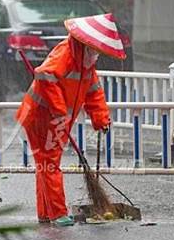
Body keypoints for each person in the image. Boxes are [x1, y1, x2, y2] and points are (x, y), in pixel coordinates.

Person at [15, 13, 126, 227]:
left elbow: (94, 93)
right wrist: (59, 111)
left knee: (45, 166)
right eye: (94, 50)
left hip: (55, 119)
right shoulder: (65, 53)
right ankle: (57, 214)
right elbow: (45, 75)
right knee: (49, 165)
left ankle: (46, 213)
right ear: (84, 44)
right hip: (40, 117)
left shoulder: (86, 65)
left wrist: (100, 119)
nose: (96, 55)